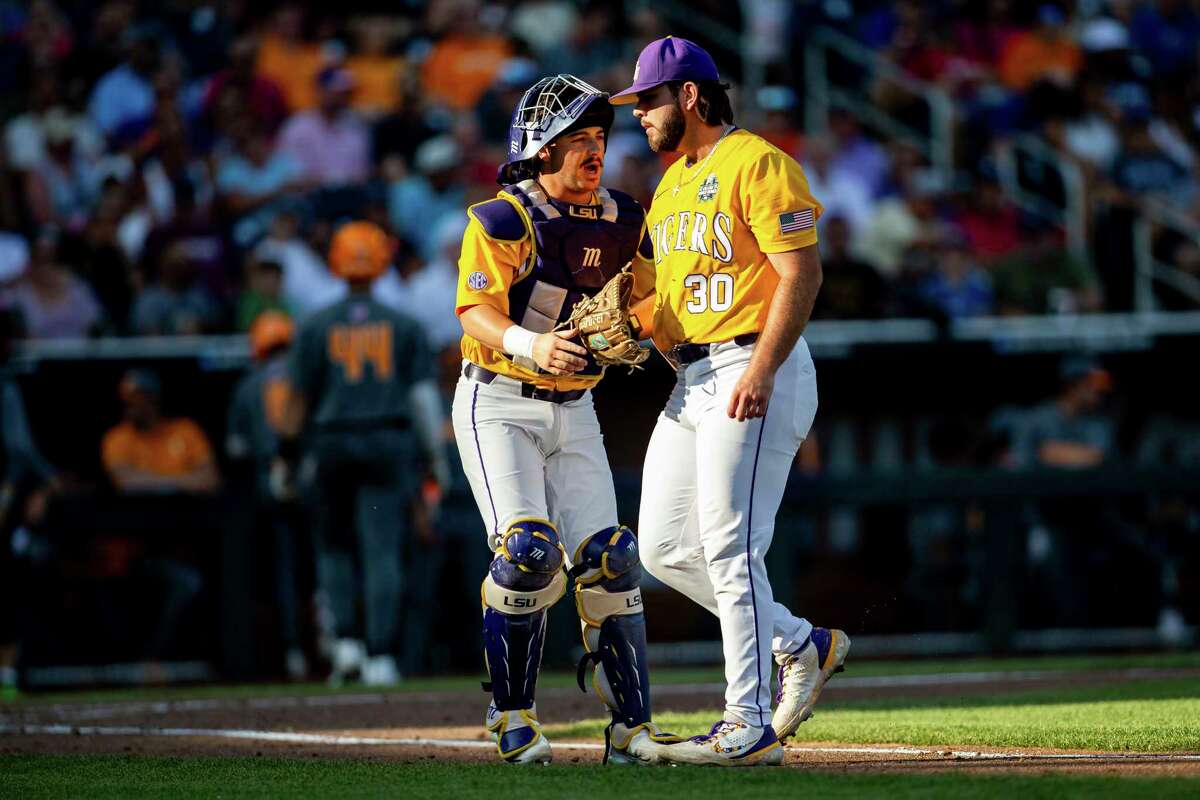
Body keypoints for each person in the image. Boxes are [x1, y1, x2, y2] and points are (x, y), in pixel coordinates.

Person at [611, 37, 850, 766]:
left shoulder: (759, 163)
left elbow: (800, 276)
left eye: (648, 100)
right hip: (693, 376)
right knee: (662, 546)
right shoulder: (672, 185)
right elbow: (660, 304)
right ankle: (799, 643)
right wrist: (628, 324)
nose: (640, 116)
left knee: (729, 543)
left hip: (755, 361)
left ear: (689, 95)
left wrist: (763, 368)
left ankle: (746, 722)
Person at [450, 73, 677, 765]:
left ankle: (631, 729)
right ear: (541, 149)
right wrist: (531, 341)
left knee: (613, 558)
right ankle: (512, 712)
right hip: (499, 401)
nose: (595, 151)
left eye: (600, 138)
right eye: (578, 139)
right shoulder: (502, 218)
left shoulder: (624, 220)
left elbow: (649, 302)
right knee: (527, 554)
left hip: (576, 405)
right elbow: (474, 310)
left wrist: (646, 331)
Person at [278, 221, 449, 687]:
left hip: (331, 442)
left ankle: (348, 647)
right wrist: (435, 457)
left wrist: (284, 457)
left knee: (332, 547)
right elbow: (422, 400)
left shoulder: (314, 326)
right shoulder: (406, 325)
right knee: (382, 550)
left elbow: (295, 402)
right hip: (388, 442)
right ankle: (380, 656)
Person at [226, 311, 309, 679]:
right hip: (309, 477)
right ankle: (335, 644)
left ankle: (293, 651)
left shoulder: (248, 385)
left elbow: (236, 446)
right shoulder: (302, 375)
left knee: (284, 570)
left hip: (267, 483)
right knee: (323, 563)